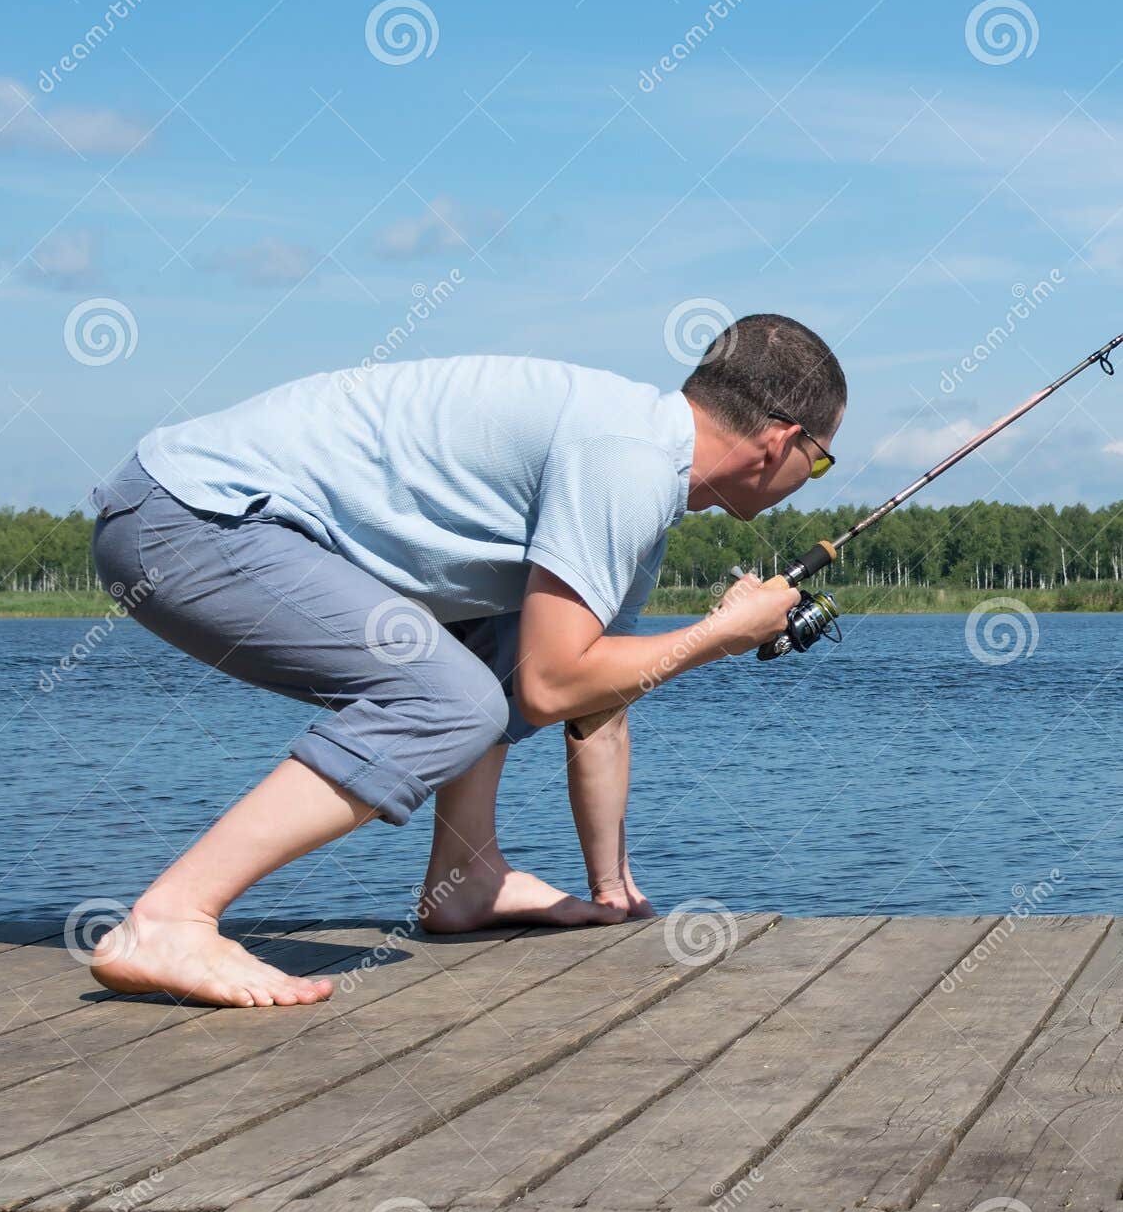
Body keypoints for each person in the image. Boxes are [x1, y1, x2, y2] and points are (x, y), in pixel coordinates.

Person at [89, 312, 845, 1007]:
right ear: (779, 442)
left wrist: (611, 887)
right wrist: (716, 638)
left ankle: (467, 877)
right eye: (818, 464)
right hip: (186, 518)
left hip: (202, 519)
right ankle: (168, 919)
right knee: (448, 698)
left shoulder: (638, 471)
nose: (806, 482)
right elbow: (554, 688)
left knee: (504, 643)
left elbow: (593, 696)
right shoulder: (625, 462)